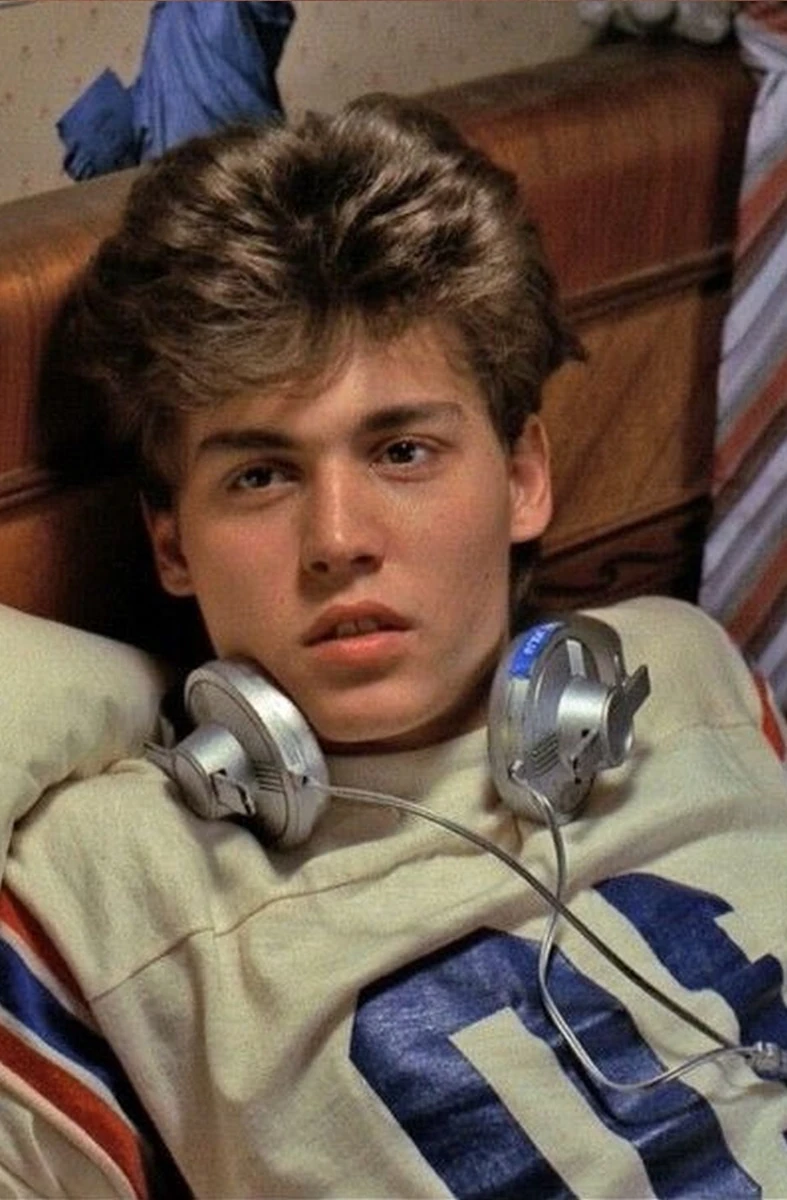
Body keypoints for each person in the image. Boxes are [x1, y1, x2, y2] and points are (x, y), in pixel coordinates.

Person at [1, 93, 787, 1199]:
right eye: (260, 476)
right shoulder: (105, 882)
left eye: (402, 451)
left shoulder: (676, 669)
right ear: (172, 543)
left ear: (523, 478)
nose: (337, 540)